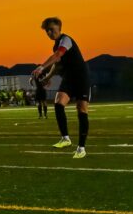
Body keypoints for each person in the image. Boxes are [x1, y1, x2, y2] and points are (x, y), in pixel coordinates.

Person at [33, 17, 90, 158]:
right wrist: (48, 77)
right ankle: (65, 138)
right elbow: (57, 63)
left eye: (52, 29)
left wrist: (41, 67)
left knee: (81, 109)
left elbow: (58, 55)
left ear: (59, 28)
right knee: (58, 103)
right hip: (69, 77)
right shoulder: (56, 45)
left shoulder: (66, 40)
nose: (50, 33)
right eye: (47, 31)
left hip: (81, 76)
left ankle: (81, 148)